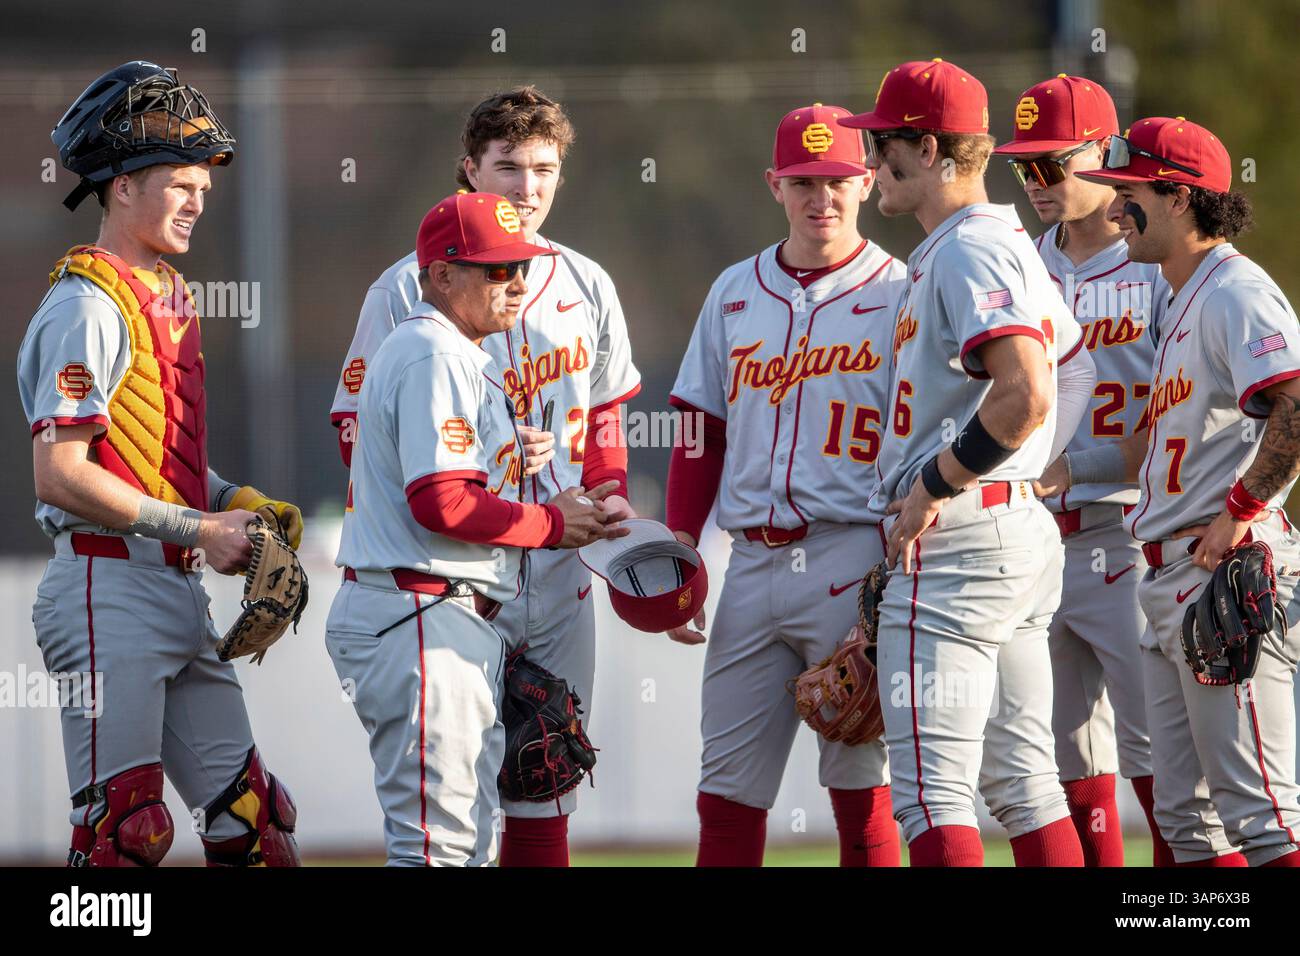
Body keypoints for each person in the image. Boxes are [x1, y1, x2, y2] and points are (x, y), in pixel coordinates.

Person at [329, 87, 640, 866]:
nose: (527, 187)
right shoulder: (410, 289)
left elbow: (607, 412)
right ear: (470, 169)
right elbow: (359, 430)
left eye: (544, 169)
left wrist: (607, 503)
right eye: (508, 167)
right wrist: (482, 467)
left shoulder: (585, 281)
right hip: (450, 573)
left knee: (545, 770)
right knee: (448, 826)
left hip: (556, 570)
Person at [21, 61, 301, 867]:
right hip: (105, 586)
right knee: (124, 833)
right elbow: (60, 473)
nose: (197, 200)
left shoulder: (166, 296)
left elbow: (151, 460)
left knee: (254, 823)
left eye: (203, 187)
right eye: (179, 182)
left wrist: (234, 502)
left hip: (173, 588)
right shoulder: (86, 304)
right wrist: (201, 528)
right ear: (120, 187)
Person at [840, 58, 1095, 866]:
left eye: (883, 144)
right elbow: (1074, 365)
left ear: (929, 148)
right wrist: (1022, 473)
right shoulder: (996, 239)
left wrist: (937, 482)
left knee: (932, 794)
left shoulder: (965, 249)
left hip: (959, 539)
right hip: (1009, 526)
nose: (872, 162)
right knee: (1026, 785)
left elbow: (1028, 391)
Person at [666, 103, 908, 867]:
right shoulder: (735, 290)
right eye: (804, 181)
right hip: (750, 563)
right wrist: (682, 547)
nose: (821, 198)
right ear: (775, 184)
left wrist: (894, 577)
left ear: (867, 179)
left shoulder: (901, 291)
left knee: (860, 787)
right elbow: (700, 428)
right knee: (725, 792)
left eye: (837, 179)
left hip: (853, 557)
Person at [1062, 116, 1300, 865]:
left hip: (1220, 565)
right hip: (1167, 573)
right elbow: (1157, 445)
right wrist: (1066, 469)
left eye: (1128, 192)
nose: (1113, 209)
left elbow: (1296, 405)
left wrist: (1241, 511)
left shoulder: (1234, 291)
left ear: (1178, 196)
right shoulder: (1182, 297)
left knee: (1260, 810)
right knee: (1185, 820)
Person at [991, 75, 1174, 866]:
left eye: (1051, 163)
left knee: (1165, 767)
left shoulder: (1158, 263)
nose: (1035, 182)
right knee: (1067, 765)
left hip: (1130, 531)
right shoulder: (1017, 265)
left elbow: (1181, 416)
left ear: (1106, 152)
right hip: (1036, 542)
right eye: (1021, 166)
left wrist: (1079, 465)